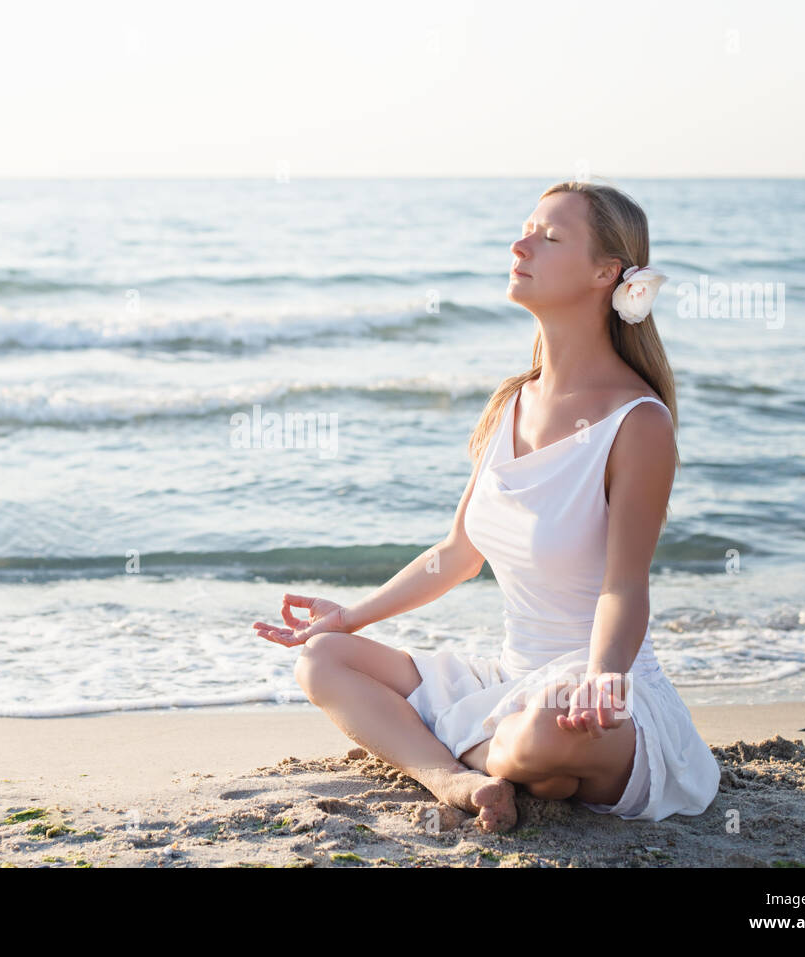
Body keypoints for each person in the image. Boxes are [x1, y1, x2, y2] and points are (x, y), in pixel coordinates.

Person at [253, 179, 721, 834]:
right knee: (322, 659)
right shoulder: (511, 404)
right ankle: (461, 778)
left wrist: (602, 680)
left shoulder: (637, 422)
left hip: (600, 697)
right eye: (526, 227)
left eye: (548, 236)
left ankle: (506, 757)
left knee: (541, 737)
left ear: (605, 272)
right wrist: (349, 616)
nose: (519, 242)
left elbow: (624, 586)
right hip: (510, 677)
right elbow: (455, 555)